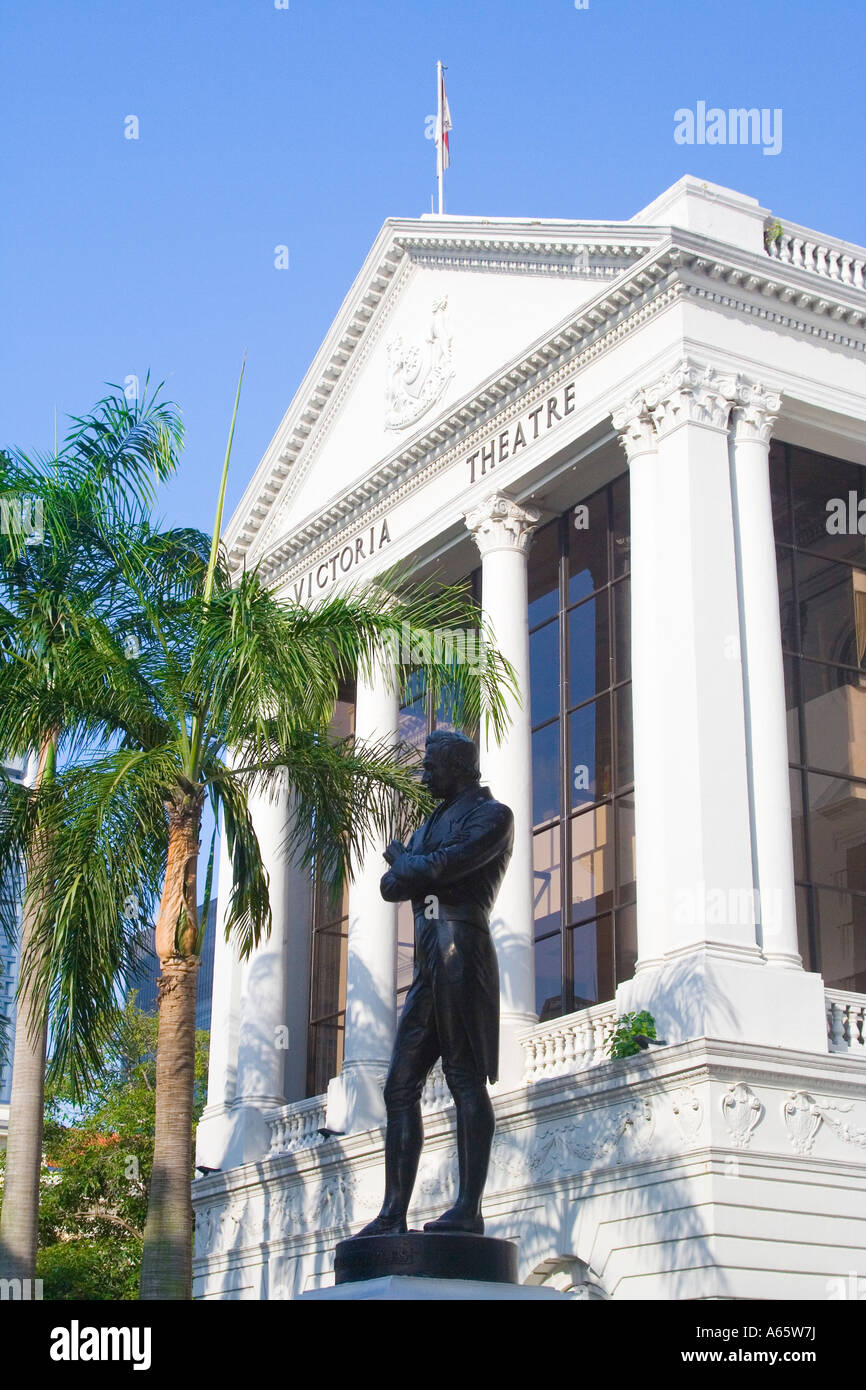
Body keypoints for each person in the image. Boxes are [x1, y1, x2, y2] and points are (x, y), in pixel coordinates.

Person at [358, 729, 513, 1236]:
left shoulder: (493, 815)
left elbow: (445, 865)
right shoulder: (431, 823)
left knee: (464, 1076)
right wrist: (413, 866)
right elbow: (390, 885)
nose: (423, 772)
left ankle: (468, 1209)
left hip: (461, 946)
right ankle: (391, 1215)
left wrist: (411, 864)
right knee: (400, 1083)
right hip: (428, 957)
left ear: (458, 767)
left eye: (431, 764)